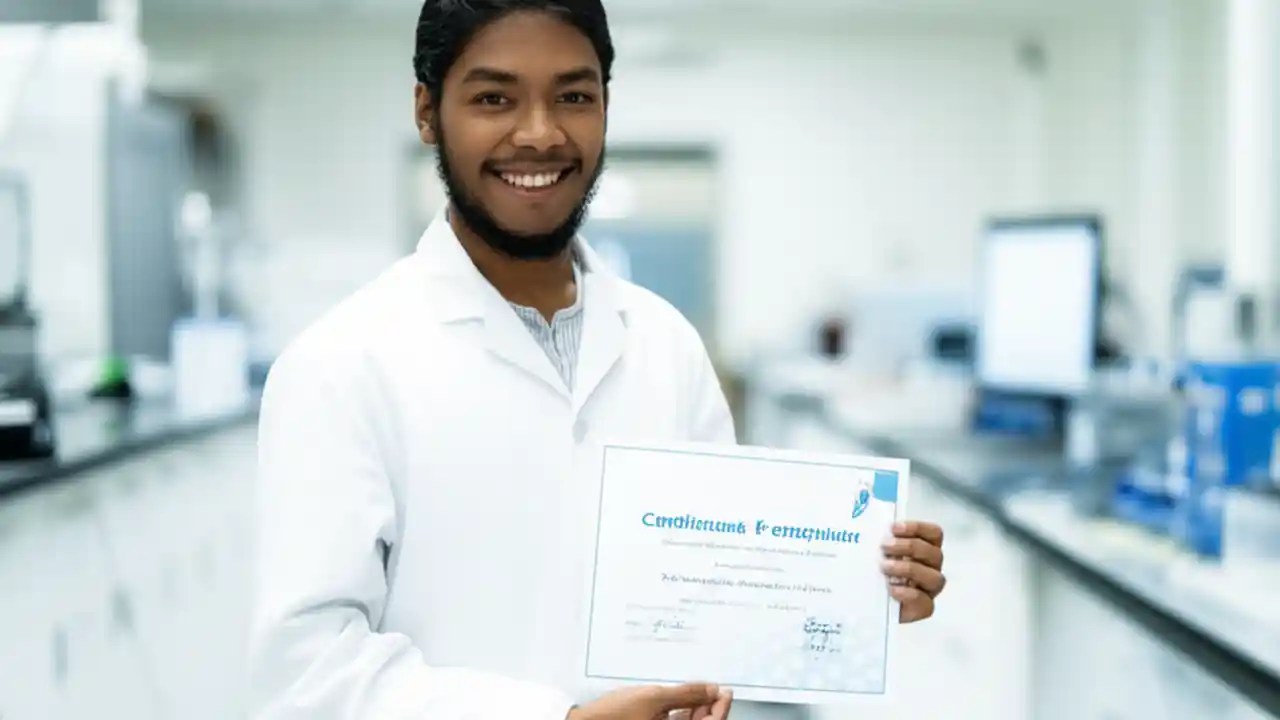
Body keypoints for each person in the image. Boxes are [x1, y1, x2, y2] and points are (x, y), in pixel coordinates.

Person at [248, 1, 948, 718]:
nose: (540, 133)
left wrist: (854, 596)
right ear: (428, 111)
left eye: (574, 96)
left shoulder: (665, 345)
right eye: (494, 98)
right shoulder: (340, 364)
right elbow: (309, 678)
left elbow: (716, 600)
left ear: (607, 108)